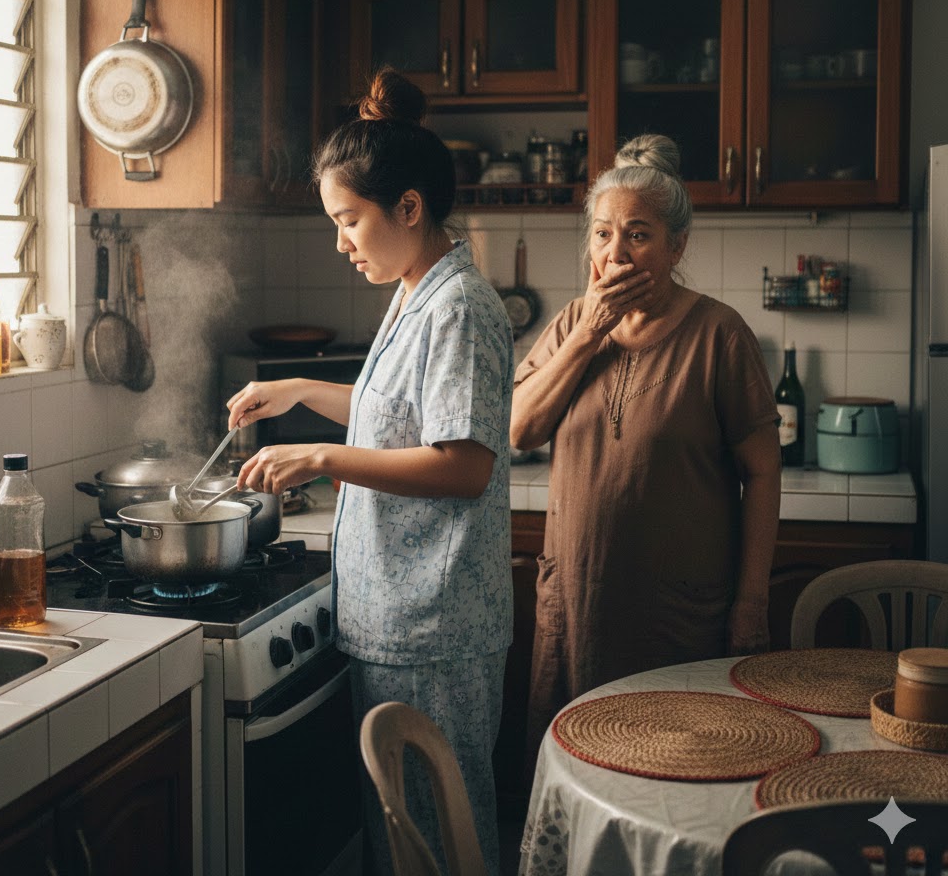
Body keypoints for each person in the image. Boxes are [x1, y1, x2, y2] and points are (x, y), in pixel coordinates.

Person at [225, 67, 514, 875]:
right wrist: (297, 392)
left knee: (438, 838)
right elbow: (397, 411)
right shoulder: (417, 287)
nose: (341, 240)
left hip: (437, 623)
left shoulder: (458, 307)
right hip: (401, 613)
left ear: (409, 208)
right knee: (402, 835)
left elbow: (462, 466)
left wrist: (318, 455)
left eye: (349, 220)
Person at [511, 133, 781, 760]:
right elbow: (521, 430)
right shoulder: (571, 324)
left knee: (673, 764)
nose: (616, 252)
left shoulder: (720, 334)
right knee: (578, 764)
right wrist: (590, 332)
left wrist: (752, 602)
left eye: (637, 234)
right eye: (602, 234)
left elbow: (764, 473)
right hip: (578, 603)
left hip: (677, 612)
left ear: (676, 244)